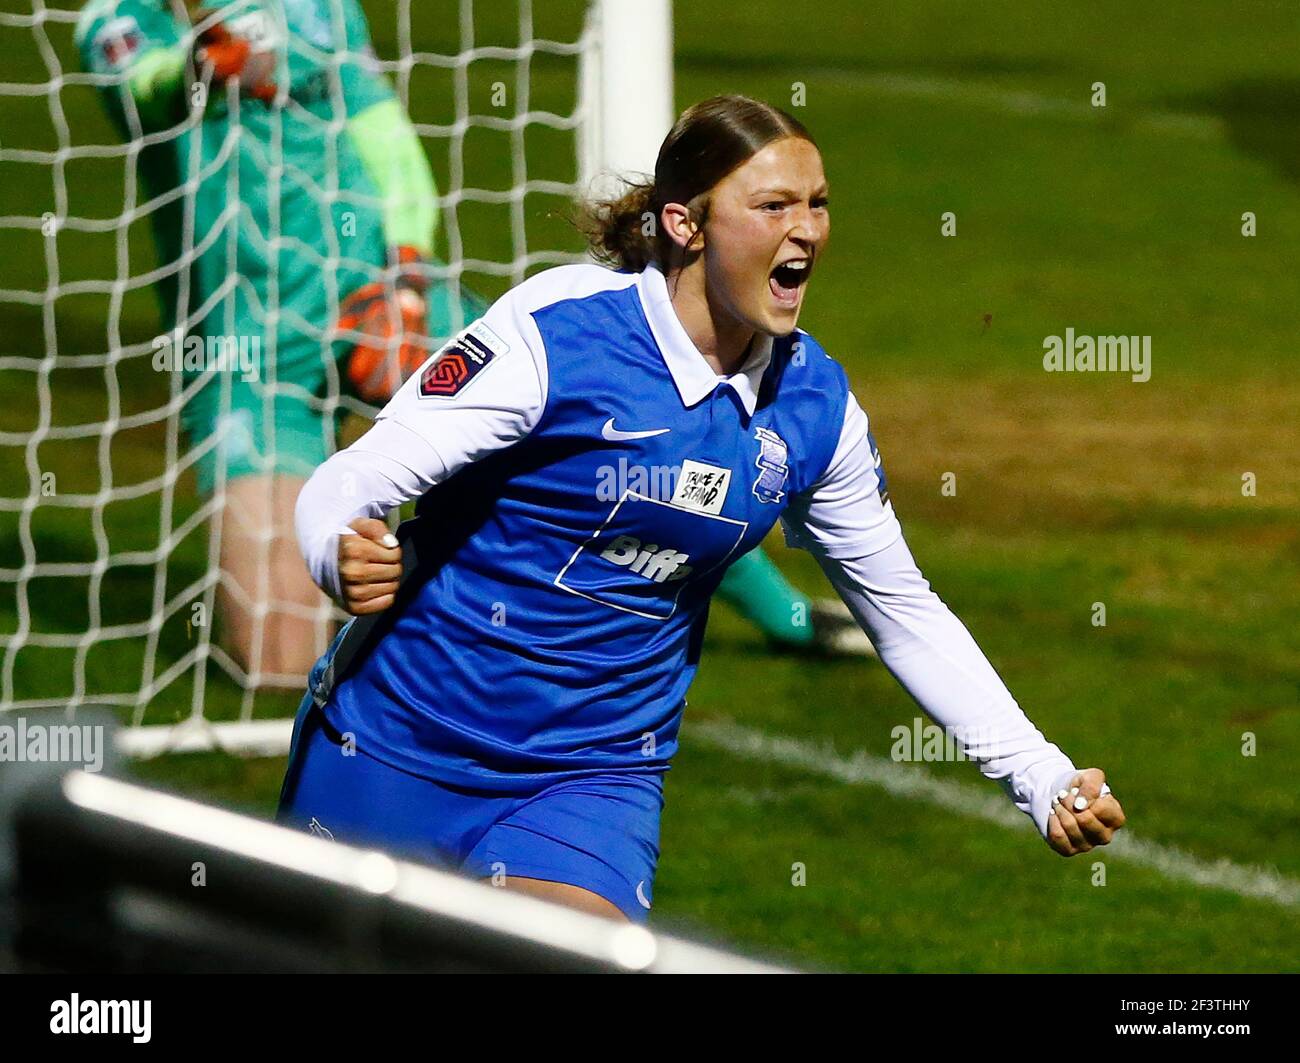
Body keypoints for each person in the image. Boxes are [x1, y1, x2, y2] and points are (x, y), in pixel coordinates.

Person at [279, 95, 1126, 922]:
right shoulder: (559, 334)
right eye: (774, 206)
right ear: (686, 225)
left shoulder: (815, 407)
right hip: (395, 740)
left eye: (819, 204)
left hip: (591, 776)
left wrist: (1039, 773)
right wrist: (336, 549)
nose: (807, 230)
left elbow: (902, 611)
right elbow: (355, 478)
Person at [76, 0, 485, 685]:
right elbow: (145, 91)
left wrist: (408, 275)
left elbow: (379, 125)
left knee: (606, 442)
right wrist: (199, 61)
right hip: (249, 351)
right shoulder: (115, 21)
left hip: (376, 291)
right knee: (278, 662)